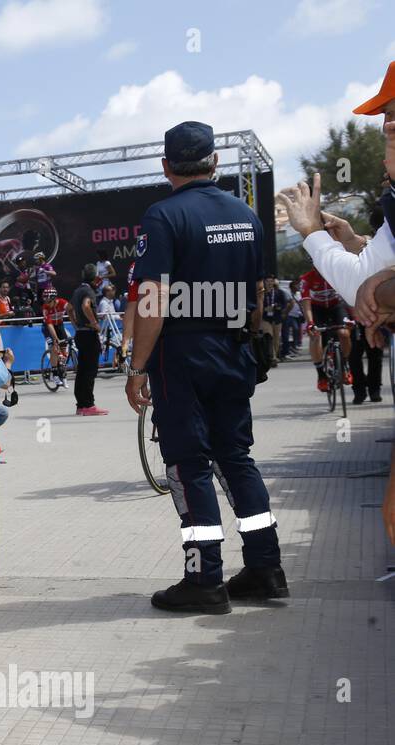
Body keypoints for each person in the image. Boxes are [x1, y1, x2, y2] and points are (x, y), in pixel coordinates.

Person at [126, 120, 286, 614]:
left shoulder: (162, 215)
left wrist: (137, 369)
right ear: (215, 162)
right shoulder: (246, 215)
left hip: (183, 357)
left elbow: (151, 301)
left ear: (166, 166)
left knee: (188, 463)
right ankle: (265, 569)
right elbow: (258, 296)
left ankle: (205, 580)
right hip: (234, 348)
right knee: (236, 457)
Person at [299, 266, 352, 393]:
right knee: (315, 335)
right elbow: (306, 305)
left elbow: (349, 296)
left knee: (344, 333)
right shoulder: (306, 279)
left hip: (336, 307)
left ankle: (344, 365)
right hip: (317, 309)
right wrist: (310, 323)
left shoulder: (338, 274)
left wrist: (352, 316)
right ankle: (321, 375)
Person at [69, 264, 106, 414]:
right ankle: (89, 405)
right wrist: (95, 323)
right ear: (95, 278)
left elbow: (68, 308)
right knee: (90, 370)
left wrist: (75, 323)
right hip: (89, 334)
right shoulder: (88, 291)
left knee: (82, 371)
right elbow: (86, 306)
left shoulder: (78, 290)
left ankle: (81, 405)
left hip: (80, 333)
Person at [41, 286, 70, 387]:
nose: (46, 303)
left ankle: (63, 372)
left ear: (54, 299)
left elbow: (71, 309)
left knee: (64, 348)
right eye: (45, 300)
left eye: (48, 301)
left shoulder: (62, 302)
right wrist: (55, 339)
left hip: (60, 326)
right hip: (47, 328)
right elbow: (49, 325)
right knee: (54, 347)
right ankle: (55, 374)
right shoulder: (45, 307)